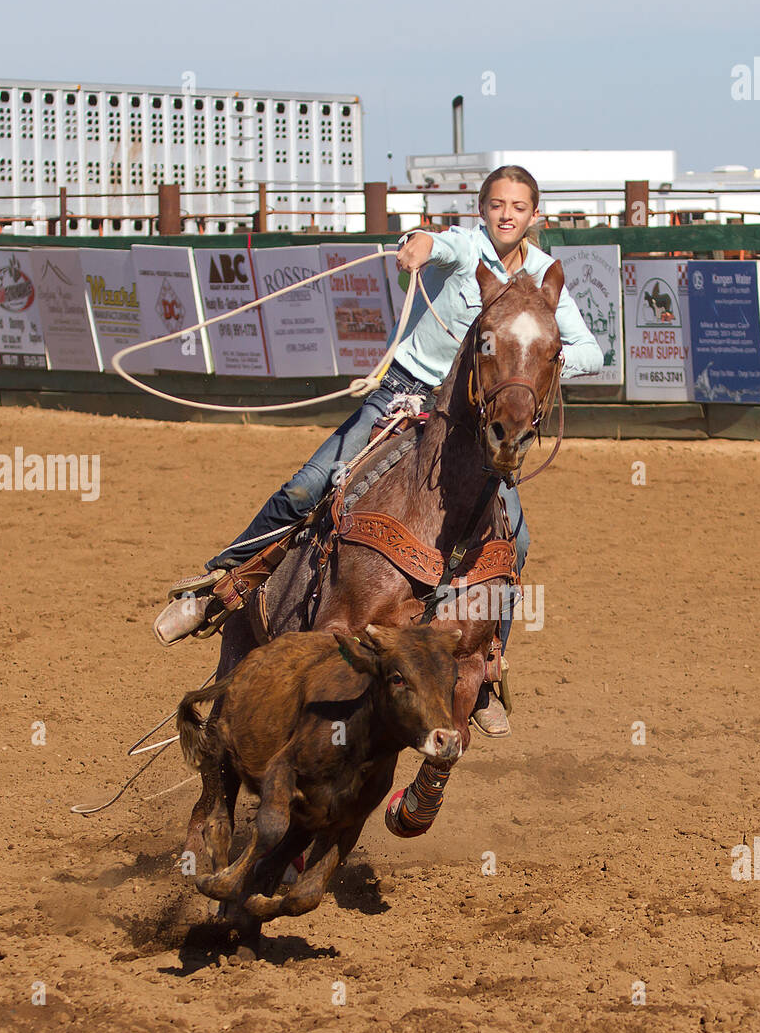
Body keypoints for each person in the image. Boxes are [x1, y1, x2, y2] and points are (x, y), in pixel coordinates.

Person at [154, 165, 603, 733]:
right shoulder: (467, 250)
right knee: (312, 482)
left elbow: (592, 352)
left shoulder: (543, 283)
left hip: (475, 426)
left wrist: (547, 353)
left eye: (518, 205)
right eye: (497, 204)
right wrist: (415, 245)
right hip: (407, 392)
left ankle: (486, 666)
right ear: (482, 210)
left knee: (516, 538)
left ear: (534, 215)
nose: (507, 214)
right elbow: (433, 244)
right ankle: (222, 585)